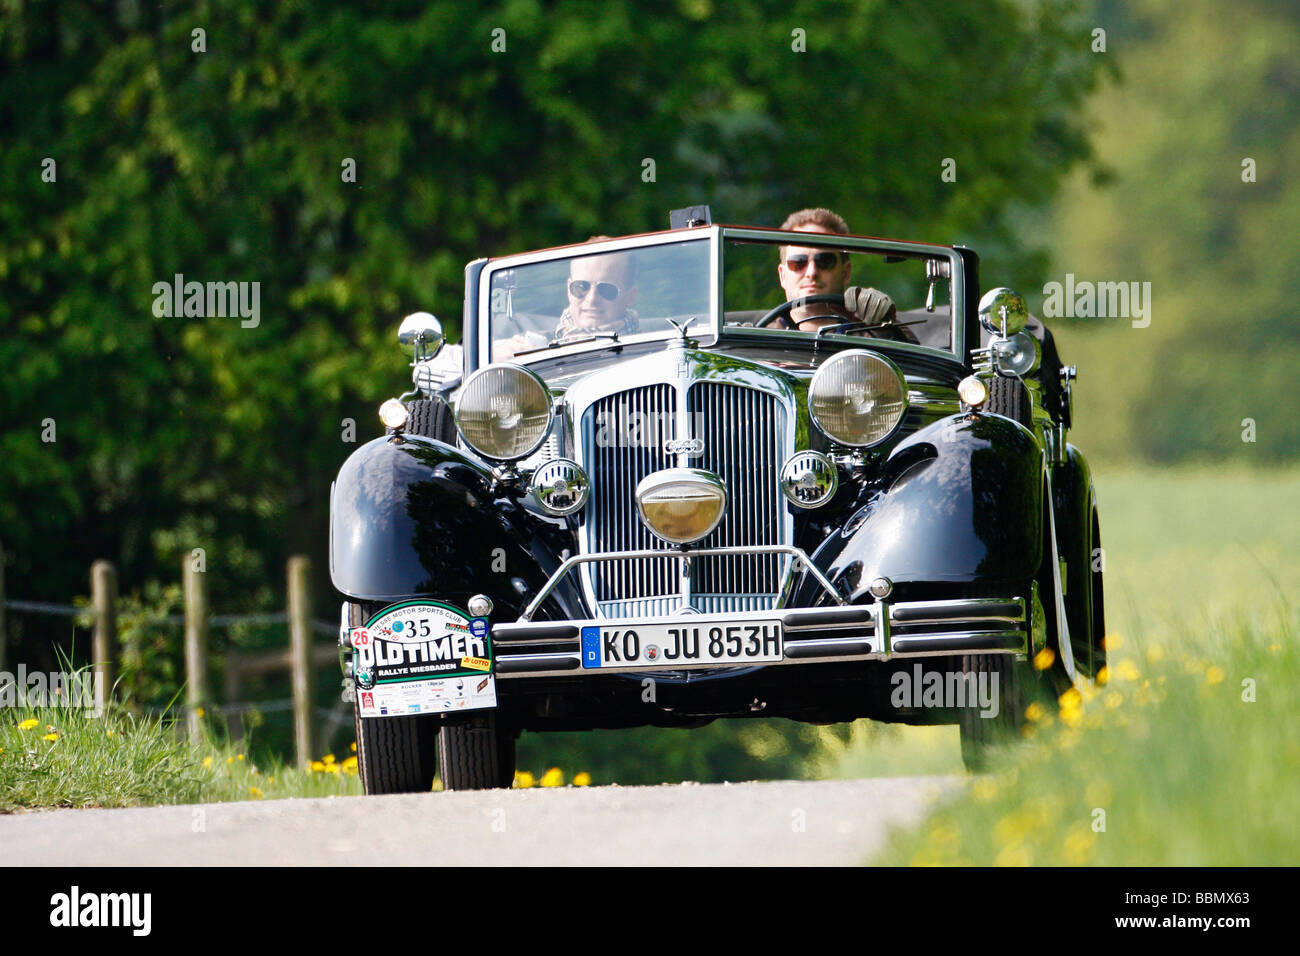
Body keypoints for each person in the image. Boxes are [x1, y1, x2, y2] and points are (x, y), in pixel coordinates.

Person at [774, 207, 913, 341]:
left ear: (845, 273)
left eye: (825, 261)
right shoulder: (756, 340)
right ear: (783, 276)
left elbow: (910, 361)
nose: (811, 272)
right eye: (798, 262)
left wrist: (883, 326)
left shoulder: (875, 332)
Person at [493, 238, 638, 360]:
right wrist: (498, 358)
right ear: (569, 290)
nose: (592, 299)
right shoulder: (530, 348)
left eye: (606, 289)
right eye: (581, 287)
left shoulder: (653, 346)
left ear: (630, 296)